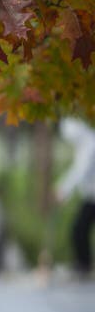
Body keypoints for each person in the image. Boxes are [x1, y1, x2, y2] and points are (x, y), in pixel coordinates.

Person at [55, 118, 95, 278]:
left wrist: (63, 190)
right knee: (79, 228)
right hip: (90, 196)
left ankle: (84, 264)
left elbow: (80, 172)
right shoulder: (84, 145)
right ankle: (83, 263)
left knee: (79, 228)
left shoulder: (90, 145)